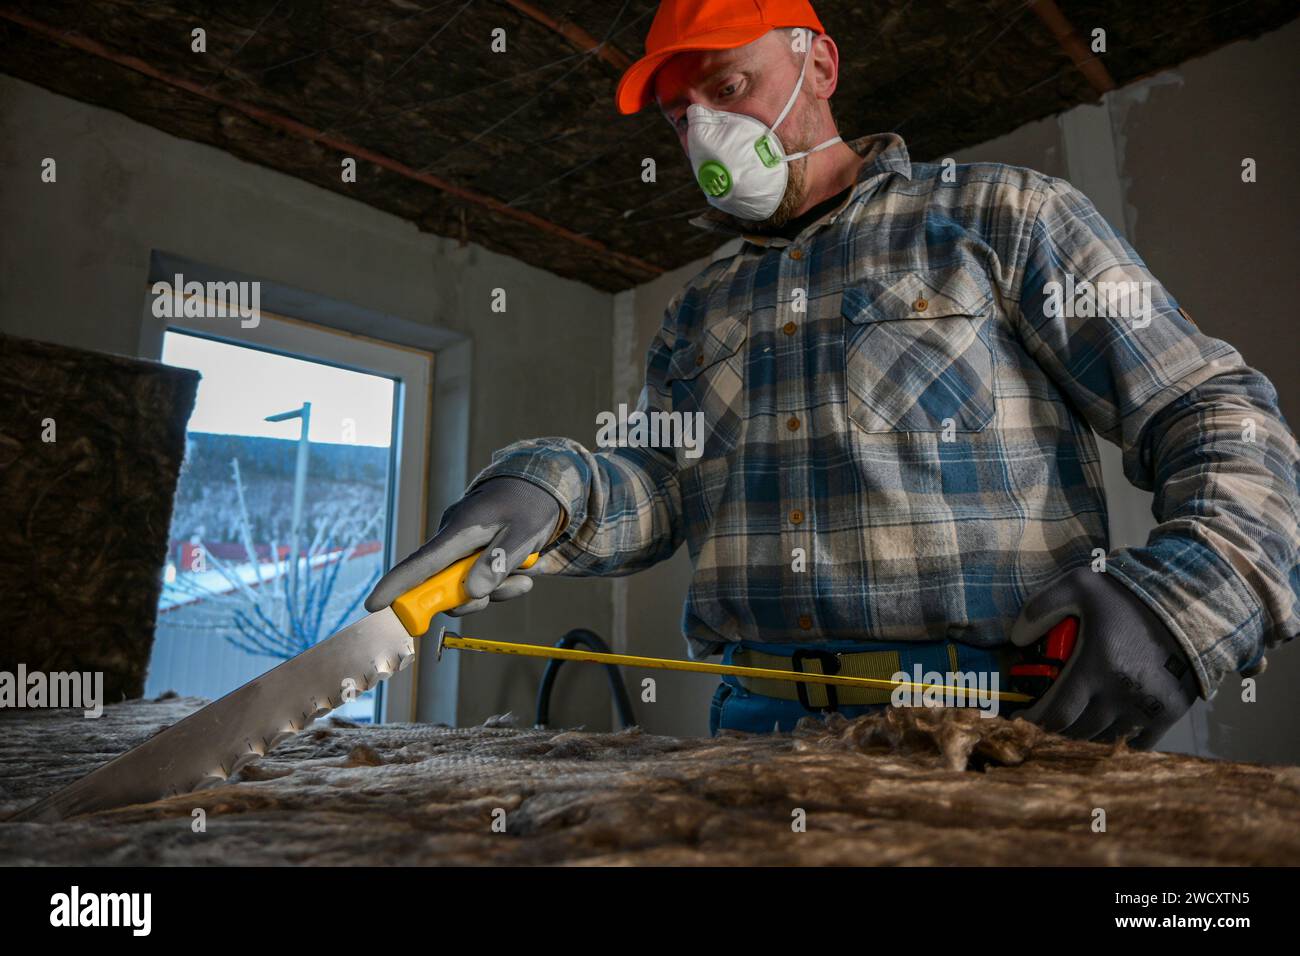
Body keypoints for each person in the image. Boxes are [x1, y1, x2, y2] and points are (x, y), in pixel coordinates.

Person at [367, 0, 1299, 745]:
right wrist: (543, 491)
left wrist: (1188, 597)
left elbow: (1210, 407)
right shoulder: (700, 309)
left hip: (998, 722)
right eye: (680, 114)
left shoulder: (1003, 215)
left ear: (818, 65)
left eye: (729, 85)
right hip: (748, 728)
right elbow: (655, 486)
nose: (704, 131)